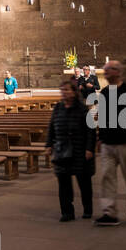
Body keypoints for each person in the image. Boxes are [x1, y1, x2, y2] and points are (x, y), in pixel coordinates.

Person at [93, 60, 126, 226]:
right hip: (108, 144)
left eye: (110, 69)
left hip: (125, 143)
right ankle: (109, 212)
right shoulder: (105, 92)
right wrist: (100, 137)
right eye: (105, 70)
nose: (106, 72)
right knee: (107, 178)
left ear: (118, 72)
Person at [46, 80, 95, 221]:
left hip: (79, 150)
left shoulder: (83, 109)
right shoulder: (58, 108)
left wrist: (89, 149)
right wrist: (49, 145)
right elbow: (52, 127)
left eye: (67, 90)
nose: (64, 92)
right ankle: (67, 212)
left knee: (84, 182)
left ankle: (87, 209)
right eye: (62, 90)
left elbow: (90, 131)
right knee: (63, 183)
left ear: (74, 92)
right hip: (62, 150)